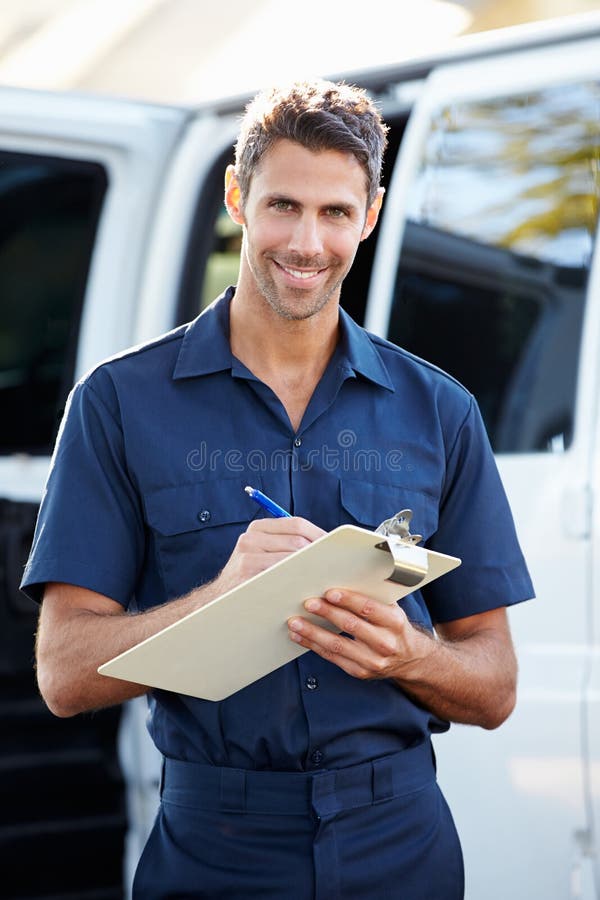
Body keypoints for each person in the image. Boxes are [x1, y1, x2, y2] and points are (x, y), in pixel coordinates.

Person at [22, 79, 533, 899]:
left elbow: (496, 686)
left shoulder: (442, 411)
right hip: (216, 845)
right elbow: (63, 673)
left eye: (335, 213)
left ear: (369, 215)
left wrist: (412, 654)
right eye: (283, 205)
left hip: (400, 840)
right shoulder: (117, 404)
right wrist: (219, 600)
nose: (307, 242)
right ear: (237, 196)